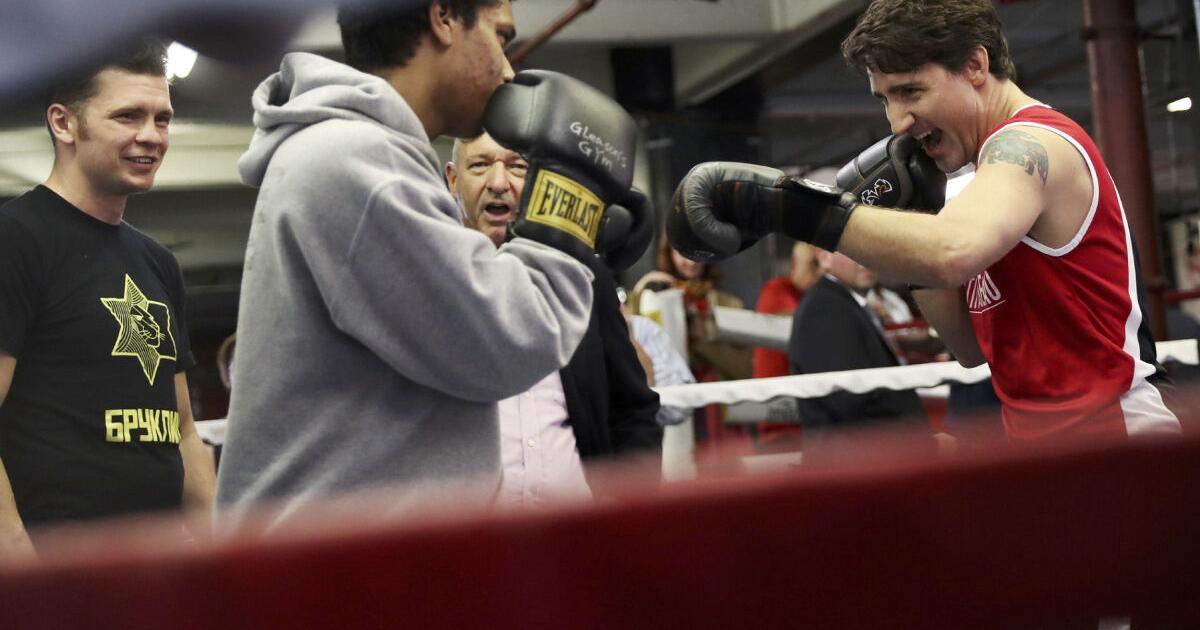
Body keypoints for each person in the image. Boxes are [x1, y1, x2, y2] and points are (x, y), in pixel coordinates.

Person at [668, 0, 1179, 442]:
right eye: (886, 98)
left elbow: (951, 251)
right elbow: (970, 349)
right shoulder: (977, 184)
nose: (897, 123)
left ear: (976, 65)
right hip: (1045, 449)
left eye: (911, 92)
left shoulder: (1030, 144)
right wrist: (918, 213)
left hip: (1115, 441)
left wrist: (791, 209)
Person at [216, 1, 641, 526]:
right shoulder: (354, 163)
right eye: (500, 37)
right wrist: (569, 203)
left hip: (359, 562)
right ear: (443, 18)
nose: (509, 70)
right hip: (338, 572)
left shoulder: (361, 155)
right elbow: (514, 339)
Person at [0, 39, 215, 556]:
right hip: (60, 570)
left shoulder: (158, 262)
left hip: (156, 570)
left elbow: (183, 431)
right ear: (63, 123)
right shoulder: (16, 240)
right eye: (127, 116)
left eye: (162, 119)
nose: (151, 136)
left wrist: (228, 564)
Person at [445, 131, 661, 505]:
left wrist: (629, 513)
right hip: (474, 545)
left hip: (582, 537)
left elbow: (632, 408)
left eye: (517, 166)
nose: (498, 183)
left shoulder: (581, 273)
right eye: (480, 165)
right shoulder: (428, 277)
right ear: (452, 180)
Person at [788, 250, 927, 437]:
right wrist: (918, 442)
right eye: (852, 250)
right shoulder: (826, 308)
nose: (865, 259)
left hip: (873, 455)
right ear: (824, 258)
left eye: (868, 248)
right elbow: (850, 401)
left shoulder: (844, 304)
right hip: (861, 458)